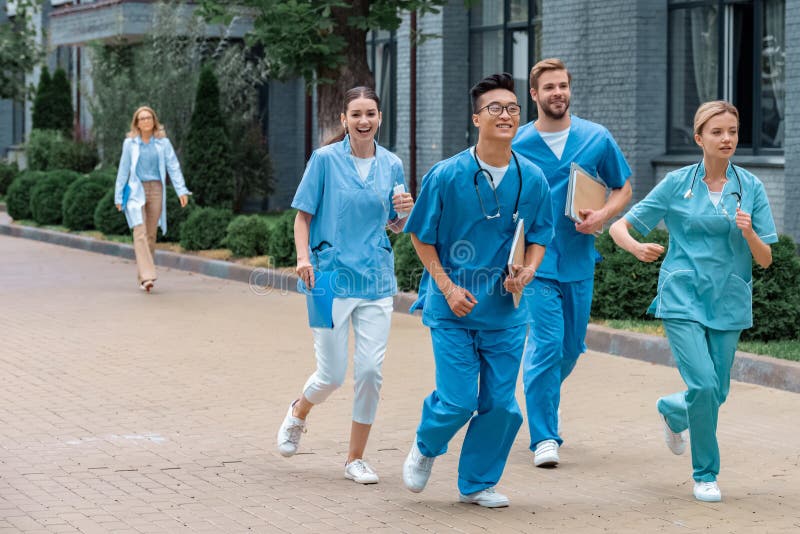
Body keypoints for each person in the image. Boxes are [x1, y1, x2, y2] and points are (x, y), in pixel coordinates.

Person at [609, 101, 776, 502]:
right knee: (702, 383)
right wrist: (635, 247)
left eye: (733, 132)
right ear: (699, 138)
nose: (727, 139)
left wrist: (750, 233)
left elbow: (766, 259)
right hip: (682, 294)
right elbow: (619, 226)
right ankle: (705, 474)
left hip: (729, 298)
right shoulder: (676, 183)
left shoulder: (750, 186)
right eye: (718, 132)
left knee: (716, 392)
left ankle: (672, 409)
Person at [401, 73, 554, 508]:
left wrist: (528, 270)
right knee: (457, 400)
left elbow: (540, 235)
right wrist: (446, 288)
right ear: (476, 118)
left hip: (506, 312)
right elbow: (421, 236)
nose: (505, 115)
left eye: (512, 109)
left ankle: (477, 483)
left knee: (502, 406)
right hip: (453, 309)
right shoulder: (447, 175)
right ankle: (426, 447)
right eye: (495, 109)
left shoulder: (535, 179)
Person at [276, 86, 414, 485]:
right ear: (344, 120)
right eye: (356, 114)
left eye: (370, 113)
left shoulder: (392, 164)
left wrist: (404, 213)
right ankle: (299, 411)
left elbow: (395, 224)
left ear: (380, 117)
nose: (364, 121)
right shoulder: (323, 161)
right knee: (332, 375)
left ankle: (356, 458)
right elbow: (302, 216)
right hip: (328, 277)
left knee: (370, 371)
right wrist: (303, 258)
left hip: (374, 278)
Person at [512, 58, 632, 467]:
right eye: (548, 87)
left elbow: (623, 186)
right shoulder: (517, 143)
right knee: (546, 344)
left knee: (571, 347)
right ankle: (544, 437)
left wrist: (604, 215)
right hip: (536, 261)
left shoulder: (596, 138)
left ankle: (540, 392)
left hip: (580, 259)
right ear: (534, 94)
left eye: (562, 85)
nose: (557, 93)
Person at [115, 106, 190, 292]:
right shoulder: (130, 144)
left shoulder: (162, 143)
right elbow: (123, 170)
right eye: (142, 119)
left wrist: (181, 190)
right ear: (137, 123)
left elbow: (173, 166)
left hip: (156, 189)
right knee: (139, 231)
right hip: (135, 191)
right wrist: (118, 196)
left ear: (154, 121)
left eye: (149, 118)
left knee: (150, 235)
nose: (146, 121)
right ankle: (149, 276)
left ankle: (142, 277)